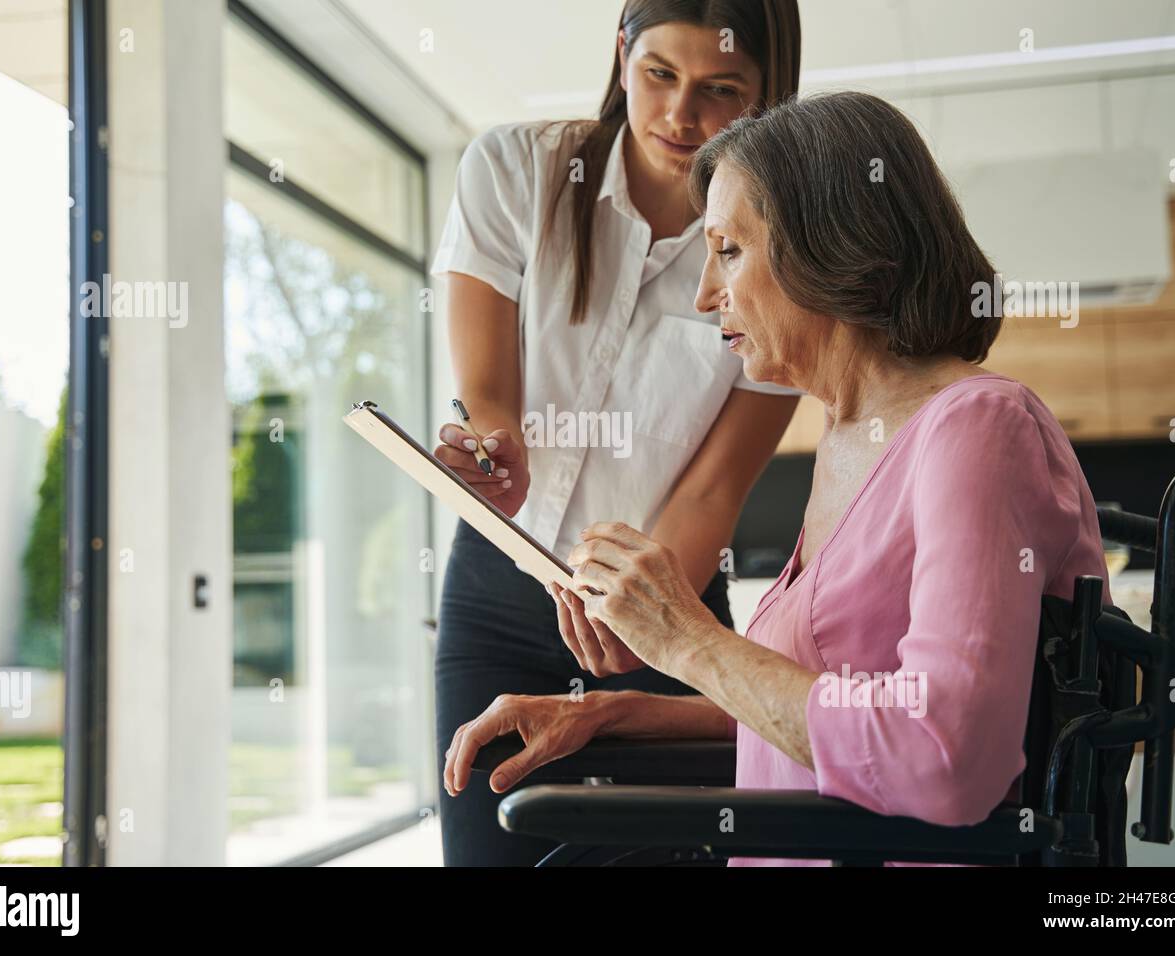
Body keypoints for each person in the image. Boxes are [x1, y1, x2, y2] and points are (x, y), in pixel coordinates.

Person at [445, 91, 1112, 867]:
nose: (703, 295)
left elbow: (942, 755)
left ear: (830, 246)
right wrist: (610, 711)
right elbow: (832, 711)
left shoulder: (977, 429)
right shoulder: (848, 439)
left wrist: (689, 640)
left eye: (727, 249)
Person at [429, 0, 804, 865]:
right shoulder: (515, 170)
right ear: (621, 55)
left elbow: (715, 487)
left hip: (665, 603)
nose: (682, 115)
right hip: (498, 590)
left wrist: (634, 609)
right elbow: (487, 401)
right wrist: (491, 456)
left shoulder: (785, 256)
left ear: (767, 93)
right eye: (659, 75)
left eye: (722, 89)